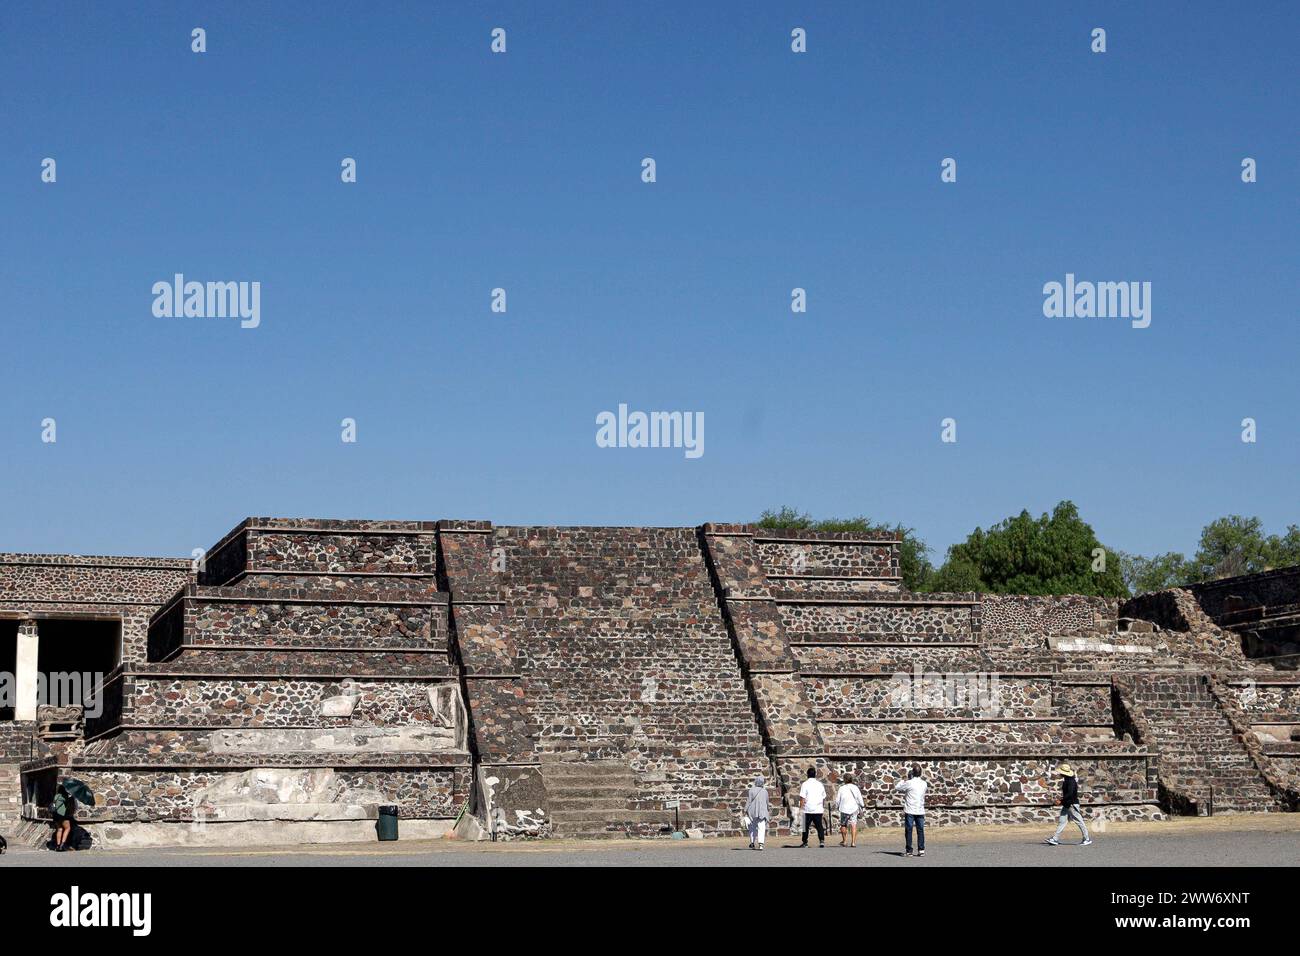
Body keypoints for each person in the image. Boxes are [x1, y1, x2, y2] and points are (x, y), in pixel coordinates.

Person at [1046, 763, 1092, 846]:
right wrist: (1062, 801)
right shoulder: (1067, 780)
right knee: (1062, 821)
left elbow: (1070, 794)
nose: (1059, 773)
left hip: (1072, 804)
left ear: (1064, 773)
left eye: (1061, 772)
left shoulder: (1070, 781)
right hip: (1067, 804)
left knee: (1079, 821)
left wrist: (1061, 801)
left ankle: (1087, 839)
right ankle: (1055, 839)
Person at [894, 764, 927, 857]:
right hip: (920, 809)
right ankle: (921, 850)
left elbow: (897, 787)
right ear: (920, 773)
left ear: (912, 772)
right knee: (920, 830)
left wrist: (904, 780)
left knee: (909, 830)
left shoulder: (909, 783)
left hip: (910, 810)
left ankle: (909, 850)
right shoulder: (924, 783)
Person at [798, 766, 827, 848]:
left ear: (807, 775)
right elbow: (823, 797)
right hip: (818, 808)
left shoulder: (805, 784)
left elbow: (802, 797)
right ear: (815, 775)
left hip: (807, 809)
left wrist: (801, 809)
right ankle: (822, 841)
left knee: (805, 827)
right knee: (819, 826)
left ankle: (805, 842)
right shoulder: (820, 784)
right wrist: (822, 807)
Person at [836, 772, 864, 847]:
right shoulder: (855, 788)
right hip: (854, 808)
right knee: (853, 824)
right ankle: (853, 842)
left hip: (844, 808)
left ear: (844, 780)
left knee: (843, 825)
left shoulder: (841, 788)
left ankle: (844, 841)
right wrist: (862, 805)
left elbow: (838, 800)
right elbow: (860, 798)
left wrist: (837, 806)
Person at [744, 775, 770, 850]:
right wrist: (767, 809)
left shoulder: (751, 790)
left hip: (752, 811)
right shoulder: (765, 791)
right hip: (762, 811)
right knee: (761, 827)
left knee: (752, 827)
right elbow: (767, 802)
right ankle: (761, 844)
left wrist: (745, 810)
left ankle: (752, 842)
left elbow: (748, 801)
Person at [51, 782, 76, 852]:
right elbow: (69, 804)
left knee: (59, 829)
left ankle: (58, 846)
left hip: (56, 815)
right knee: (68, 828)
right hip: (63, 815)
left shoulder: (56, 796)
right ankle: (62, 845)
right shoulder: (64, 796)